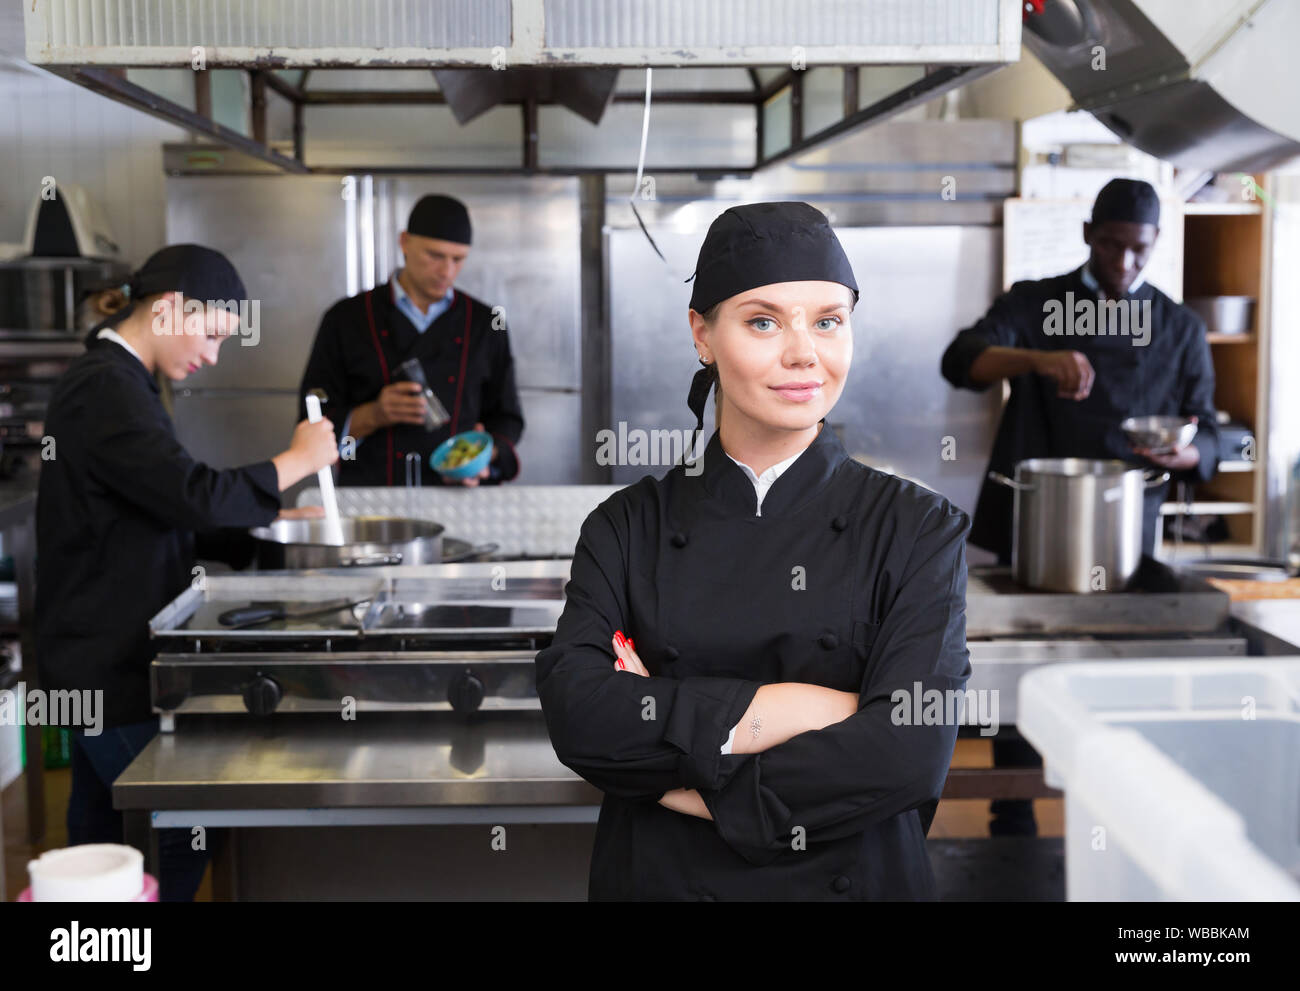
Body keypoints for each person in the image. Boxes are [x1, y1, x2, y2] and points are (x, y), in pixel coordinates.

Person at [536, 202, 972, 901]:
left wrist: (690, 779)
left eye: (828, 321)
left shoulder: (918, 529)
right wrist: (800, 708)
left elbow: (908, 751)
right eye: (763, 321)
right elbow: (580, 714)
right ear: (702, 334)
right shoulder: (625, 527)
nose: (804, 352)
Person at [36, 244, 337, 901]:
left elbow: (162, 505)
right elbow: (190, 492)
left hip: (95, 660)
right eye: (212, 334)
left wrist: (265, 522)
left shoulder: (125, 381)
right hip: (105, 663)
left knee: (100, 842)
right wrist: (294, 458)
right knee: (177, 830)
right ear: (170, 309)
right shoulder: (104, 386)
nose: (213, 354)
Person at [939, 178, 1220, 836]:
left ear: (1154, 246)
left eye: (1139, 251)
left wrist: (1188, 452)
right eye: (1113, 245)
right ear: (1089, 233)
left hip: (1127, 531)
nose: (1125, 263)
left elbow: (1208, 429)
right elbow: (962, 359)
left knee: (1121, 671)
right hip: (1037, 521)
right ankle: (1013, 804)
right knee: (1026, 666)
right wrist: (1037, 359)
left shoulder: (1177, 326)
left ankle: (1114, 808)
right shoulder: (1036, 303)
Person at [299, 194, 524, 487]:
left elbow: (507, 418)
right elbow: (311, 419)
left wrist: (483, 459)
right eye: (434, 256)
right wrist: (373, 415)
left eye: (458, 259)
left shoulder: (486, 323)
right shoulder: (346, 318)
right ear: (404, 242)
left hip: (460, 499)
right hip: (372, 498)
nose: (447, 272)